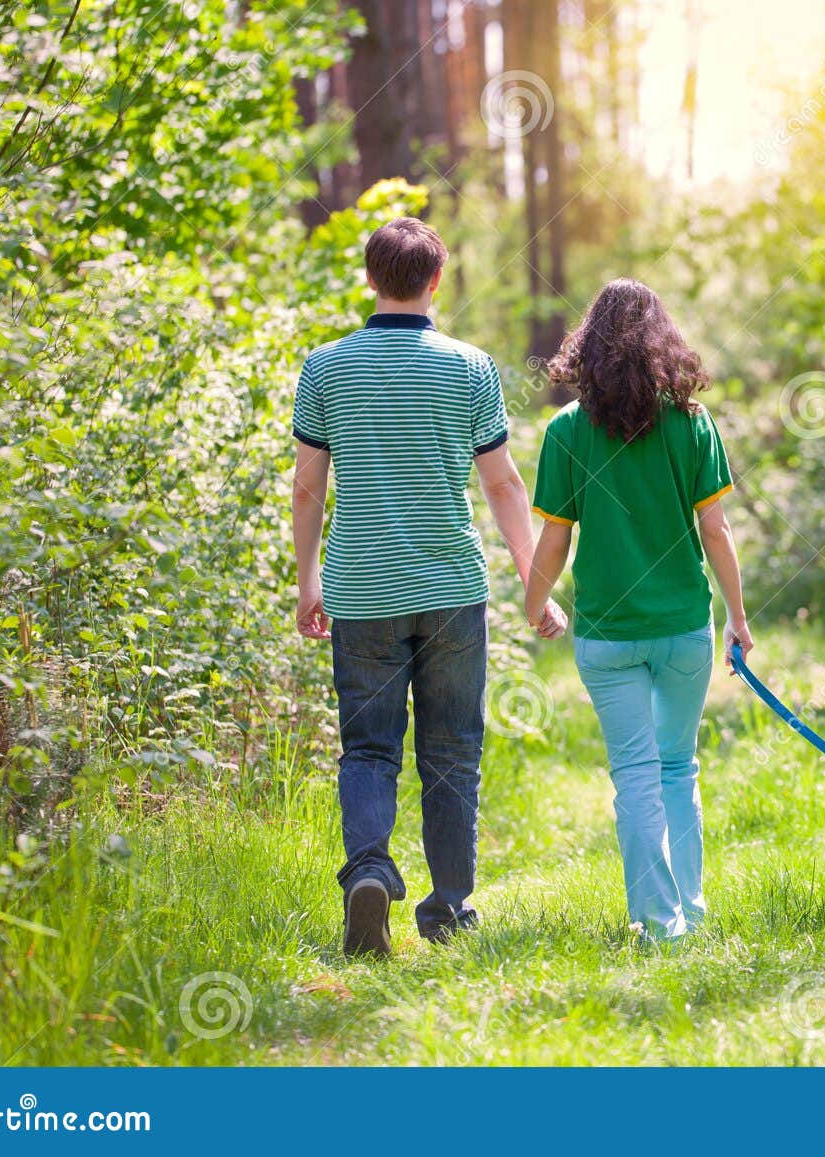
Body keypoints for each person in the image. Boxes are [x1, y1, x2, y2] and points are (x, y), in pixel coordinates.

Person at [291, 217, 566, 957]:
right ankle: (447, 909)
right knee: (452, 751)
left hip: (360, 590)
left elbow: (308, 489)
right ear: (436, 280)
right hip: (451, 588)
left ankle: (369, 872)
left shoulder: (325, 367)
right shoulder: (471, 367)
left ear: (371, 279)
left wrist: (306, 578)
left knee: (369, 748)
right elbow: (505, 484)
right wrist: (534, 585)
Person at [523, 278, 752, 943]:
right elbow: (717, 531)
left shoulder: (567, 431)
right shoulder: (692, 424)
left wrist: (533, 606)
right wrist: (738, 618)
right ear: (663, 342)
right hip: (684, 626)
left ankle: (661, 923)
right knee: (678, 765)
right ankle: (691, 909)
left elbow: (555, 538)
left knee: (636, 774)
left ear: (588, 348)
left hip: (608, 633)